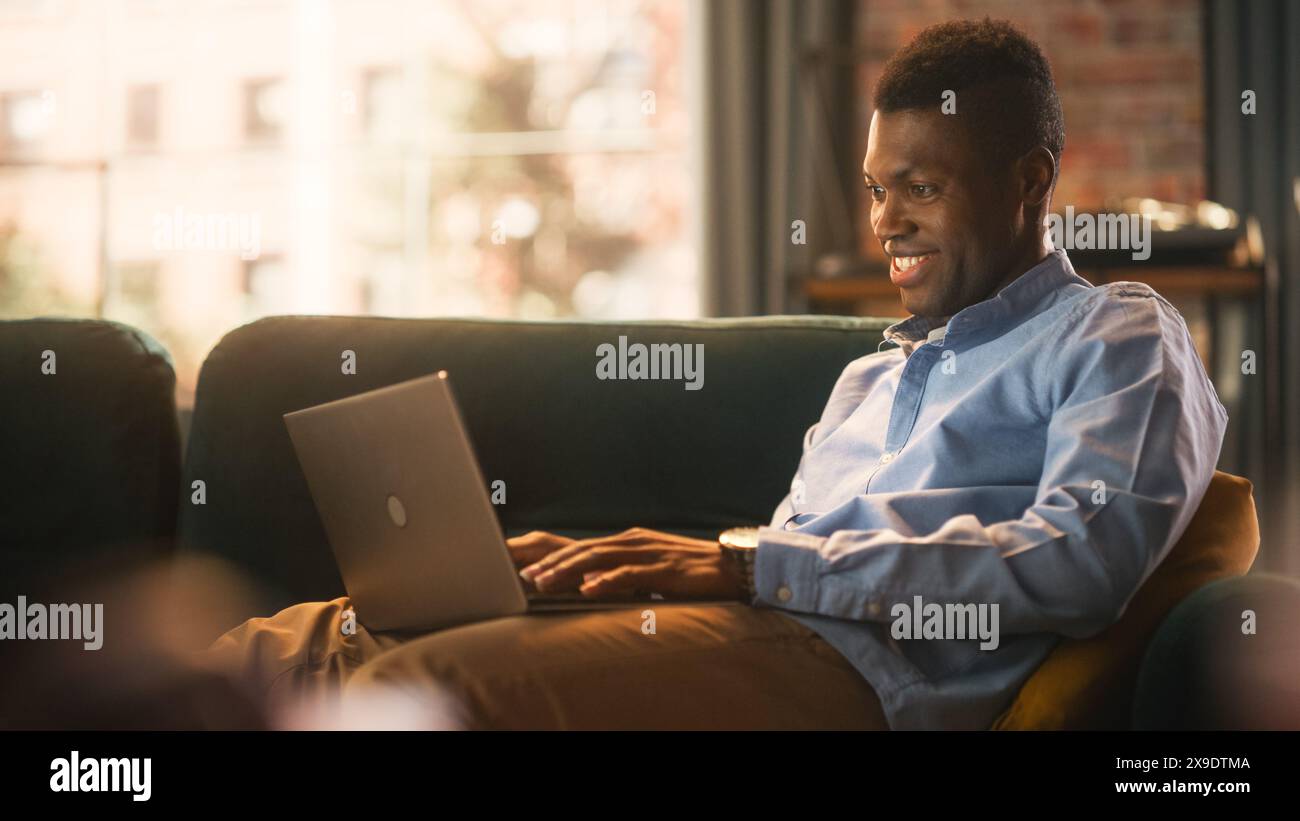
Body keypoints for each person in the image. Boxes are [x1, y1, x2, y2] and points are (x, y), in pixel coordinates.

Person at [201, 18, 1227, 730]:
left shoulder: (1114, 335)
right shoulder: (870, 380)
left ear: (1029, 180)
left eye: (920, 187)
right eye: (875, 190)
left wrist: (744, 566)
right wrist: (608, 574)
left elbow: (1080, 563)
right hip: (755, 629)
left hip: (861, 677)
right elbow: (772, 579)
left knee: (425, 683)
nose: (884, 223)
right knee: (299, 641)